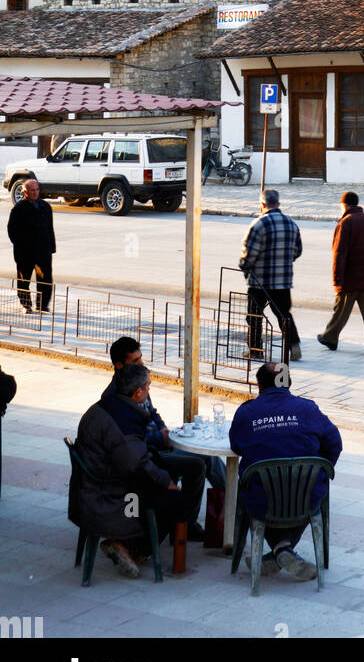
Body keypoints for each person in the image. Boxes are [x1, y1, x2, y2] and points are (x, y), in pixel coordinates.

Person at [73, 363, 189, 578]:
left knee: (174, 473)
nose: (148, 391)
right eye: (148, 387)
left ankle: (128, 544)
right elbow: (136, 466)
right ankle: (134, 548)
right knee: (176, 499)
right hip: (111, 494)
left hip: (95, 482)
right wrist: (167, 482)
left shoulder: (107, 405)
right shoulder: (123, 422)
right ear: (138, 392)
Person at [229, 361, 342, 580]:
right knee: (303, 492)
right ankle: (283, 549)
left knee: (262, 491)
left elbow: (236, 446)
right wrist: (317, 471)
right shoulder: (308, 409)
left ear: (259, 386)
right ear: (288, 384)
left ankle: (279, 550)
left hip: (262, 500)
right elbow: (334, 444)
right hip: (305, 496)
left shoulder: (246, 413)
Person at [103, 336, 211, 540]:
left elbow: (152, 412)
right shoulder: (115, 397)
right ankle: (183, 525)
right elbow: (132, 445)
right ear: (119, 365)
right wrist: (159, 440)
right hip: (144, 457)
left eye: (141, 359)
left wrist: (163, 430)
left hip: (153, 447)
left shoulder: (137, 381)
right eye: (135, 361)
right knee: (199, 461)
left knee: (204, 456)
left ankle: (223, 503)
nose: (141, 364)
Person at [240, 189, 303, 363]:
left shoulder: (258, 224)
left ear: (262, 204)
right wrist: (284, 261)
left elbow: (249, 253)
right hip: (283, 280)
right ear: (278, 204)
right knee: (284, 314)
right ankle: (294, 345)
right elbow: (297, 251)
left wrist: (244, 266)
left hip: (260, 281)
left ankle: (255, 349)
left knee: (254, 315)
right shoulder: (291, 224)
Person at [317, 191, 364, 357]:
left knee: (341, 310)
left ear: (344, 205)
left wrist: (337, 280)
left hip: (350, 278)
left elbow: (339, 254)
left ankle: (330, 338)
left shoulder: (345, 223)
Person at [7, 176, 56, 313]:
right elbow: (12, 231)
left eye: (37, 189)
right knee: (23, 281)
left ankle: (43, 305)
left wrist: (51, 248)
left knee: (45, 281)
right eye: (32, 190)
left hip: (43, 252)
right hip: (25, 254)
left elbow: (50, 229)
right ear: (25, 192)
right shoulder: (18, 209)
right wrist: (21, 247)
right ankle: (26, 305)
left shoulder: (46, 207)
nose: (35, 192)